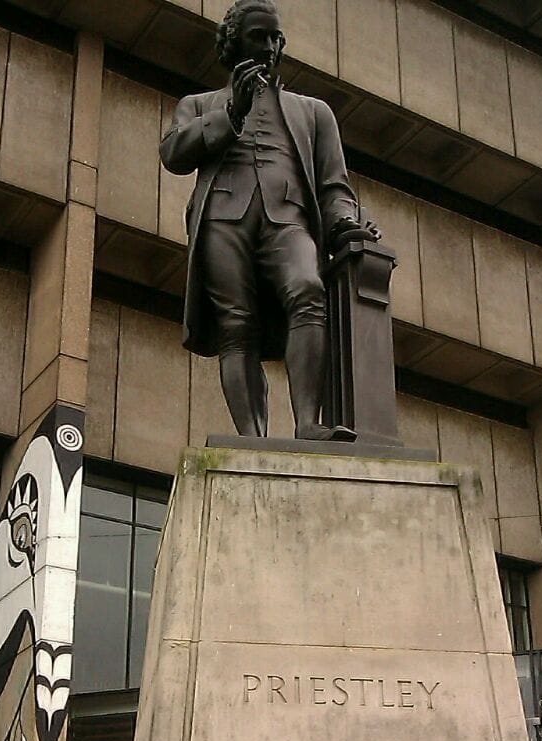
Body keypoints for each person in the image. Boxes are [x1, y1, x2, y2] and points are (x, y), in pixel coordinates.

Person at [160, 0, 380, 440]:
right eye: (259, 35)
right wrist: (231, 114)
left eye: (276, 37)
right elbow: (173, 153)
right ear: (233, 41)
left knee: (308, 289)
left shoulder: (313, 112)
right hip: (224, 218)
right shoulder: (199, 104)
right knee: (237, 324)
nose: (270, 45)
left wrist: (343, 223)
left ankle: (307, 424)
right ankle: (250, 438)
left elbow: (334, 186)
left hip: (288, 219)